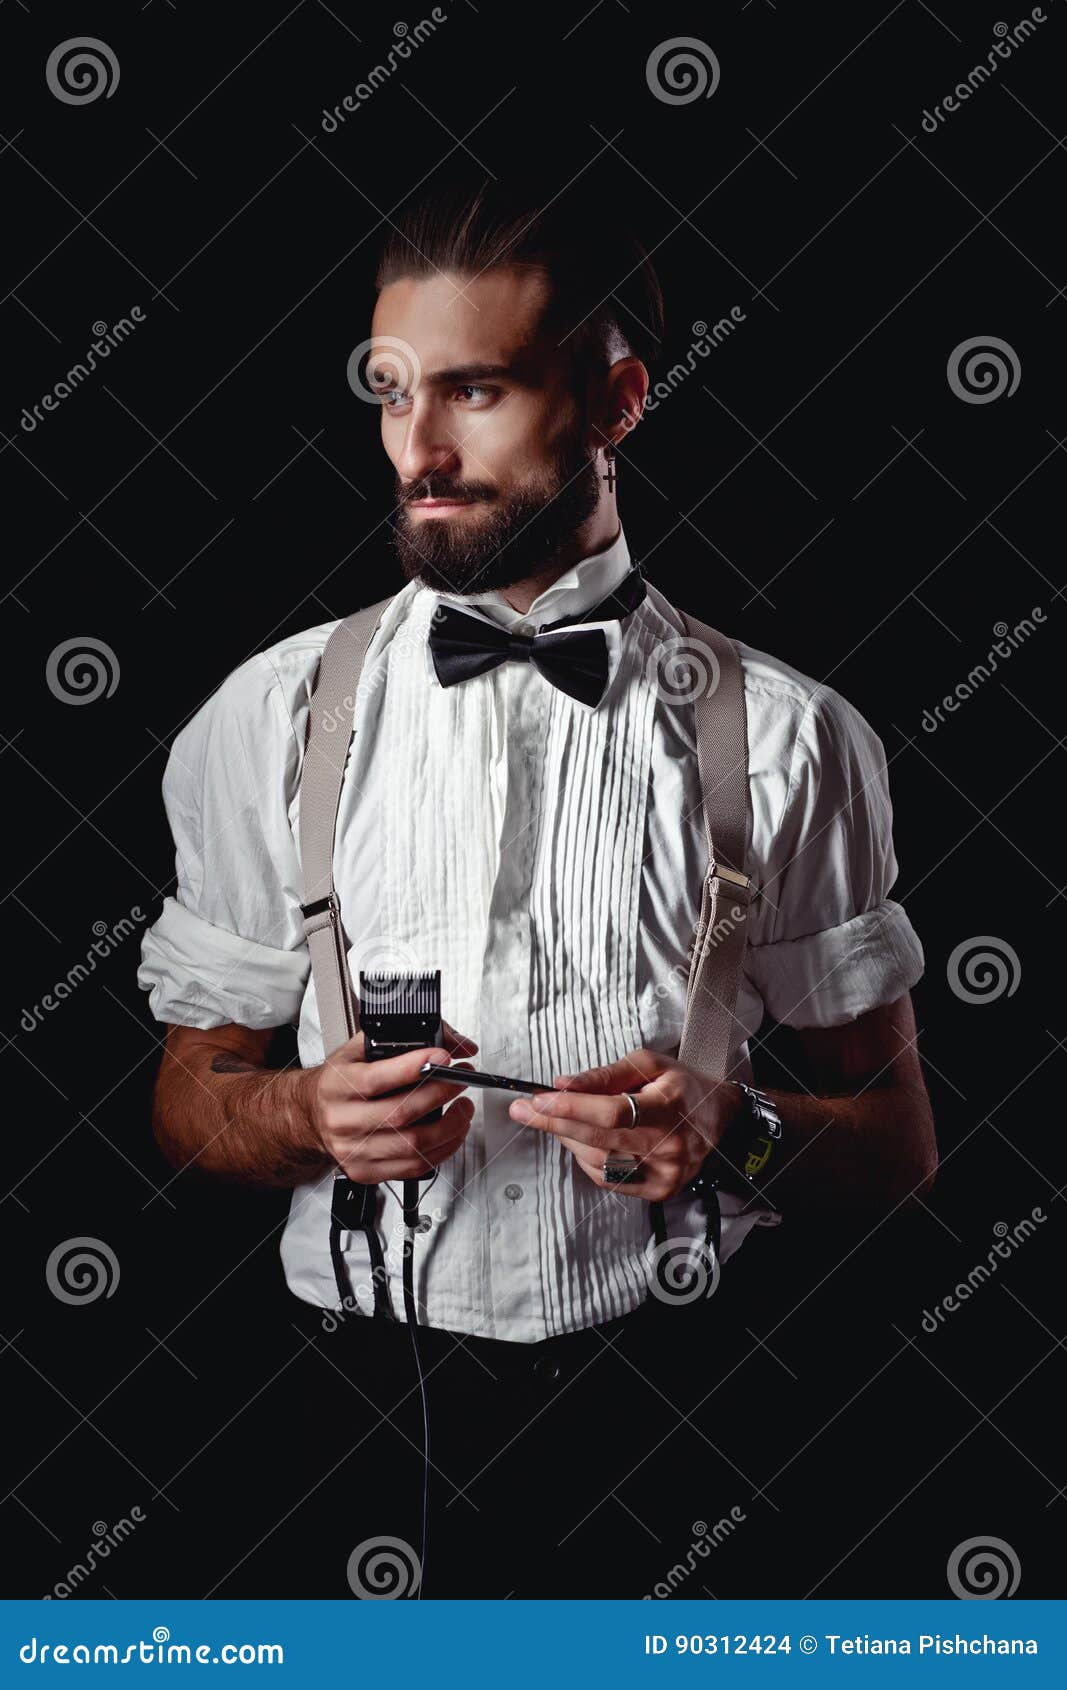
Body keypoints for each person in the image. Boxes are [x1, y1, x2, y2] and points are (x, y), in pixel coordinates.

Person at [138, 172, 936, 1598]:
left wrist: (736, 1132)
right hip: (345, 1414)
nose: (418, 452)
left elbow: (897, 1146)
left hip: (701, 1409)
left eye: (478, 392)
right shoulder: (267, 717)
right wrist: (294, 1109)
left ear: (619, 399)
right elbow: (190, 1092)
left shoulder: (798, 739)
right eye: (393, 394)